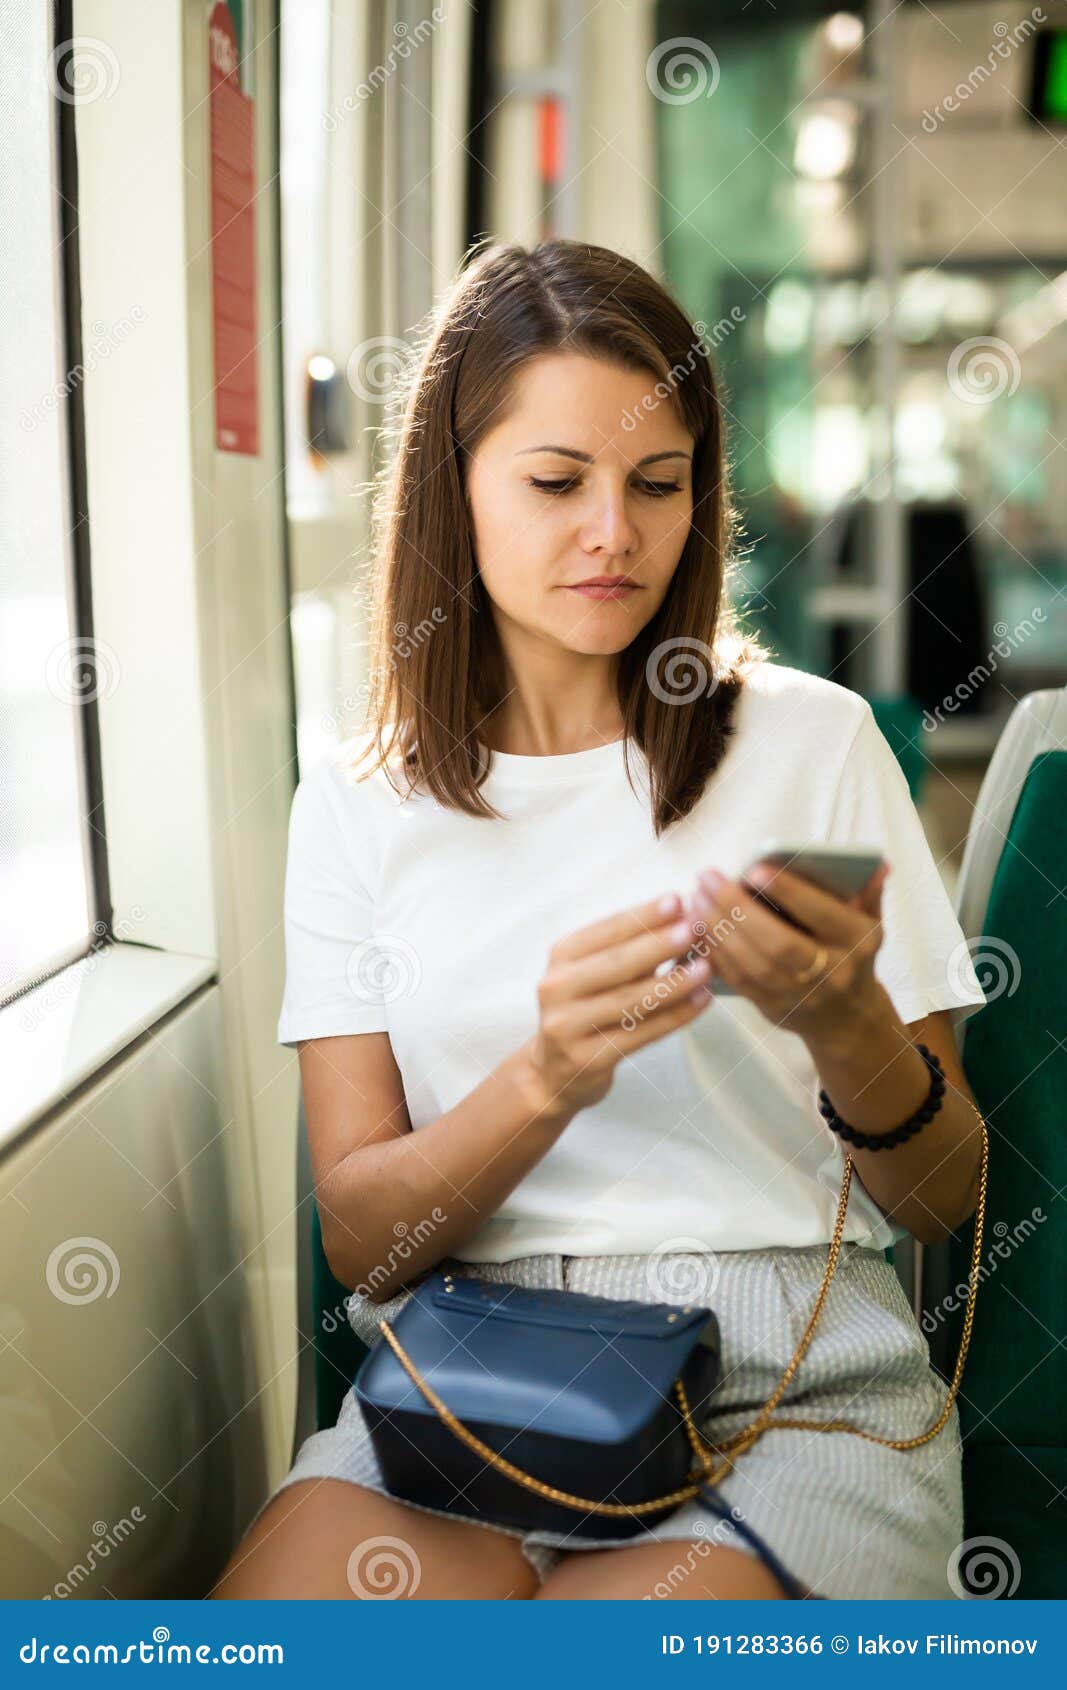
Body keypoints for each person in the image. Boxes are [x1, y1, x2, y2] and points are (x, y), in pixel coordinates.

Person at [211, 239, 987, 1601]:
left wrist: (844, 1016)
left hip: (787, 1381)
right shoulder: (353, 800)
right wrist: (545, 1081)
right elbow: (363, 1241)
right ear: (455, 490)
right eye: (557, 483)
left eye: (660, 484)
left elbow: (946, 1198)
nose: (614, 534)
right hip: (473, 1378)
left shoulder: (816, 743)